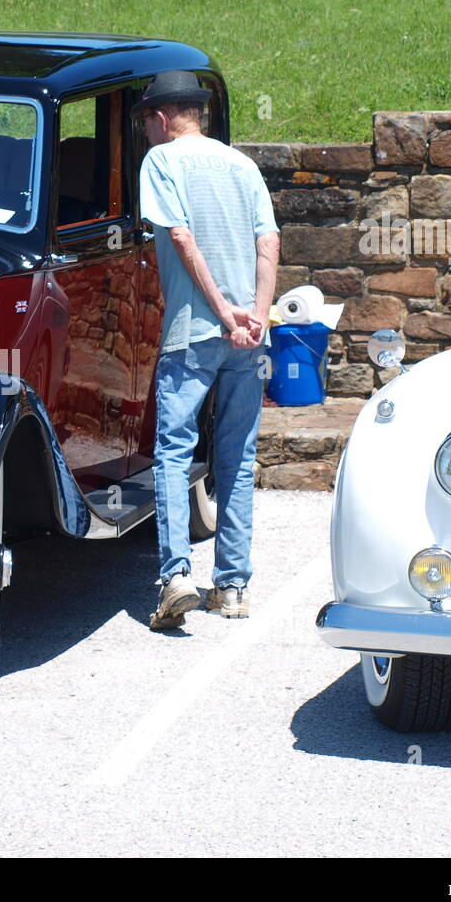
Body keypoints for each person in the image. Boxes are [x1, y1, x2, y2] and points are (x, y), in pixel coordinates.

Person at [133, 71, 280, 629]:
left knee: (173, 452)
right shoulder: (242, 165)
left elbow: (180, 238)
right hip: (248, 336)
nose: (147, 130)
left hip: (194, 330)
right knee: (237, 457)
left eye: (147, 119)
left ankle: (175, 578)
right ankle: (233, 587)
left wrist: (222, 314)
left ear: (163, 117)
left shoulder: (162, 162)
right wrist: (256, 317)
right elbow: (268, 241)